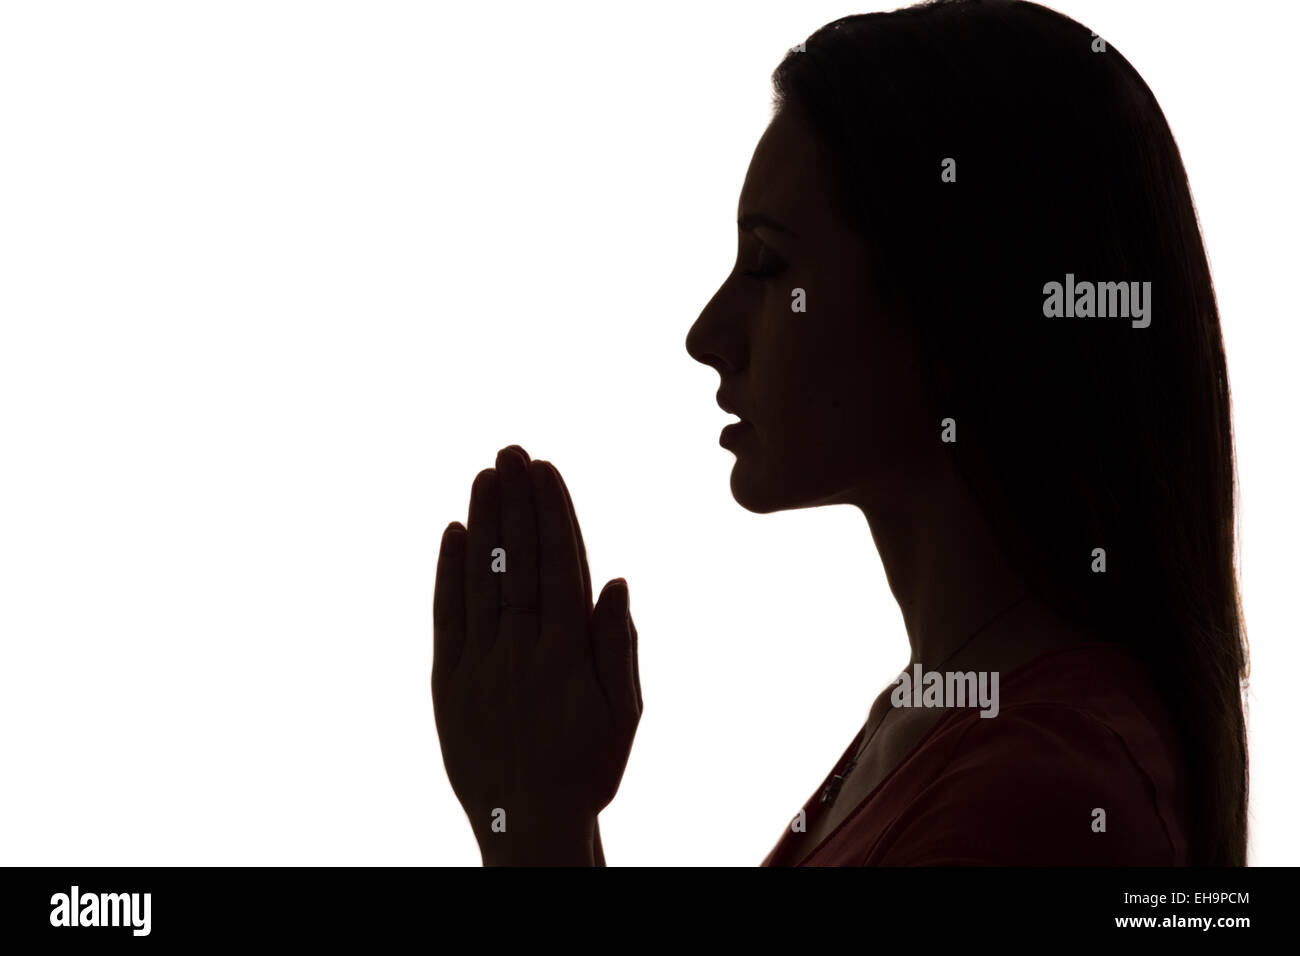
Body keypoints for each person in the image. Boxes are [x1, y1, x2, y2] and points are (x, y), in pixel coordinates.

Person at [432, 0, 1249, 866]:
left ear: (953, 301)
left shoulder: (1037, 792)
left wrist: (538, 825)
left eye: (772, 265)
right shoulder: (943, 722)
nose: (707, 335)